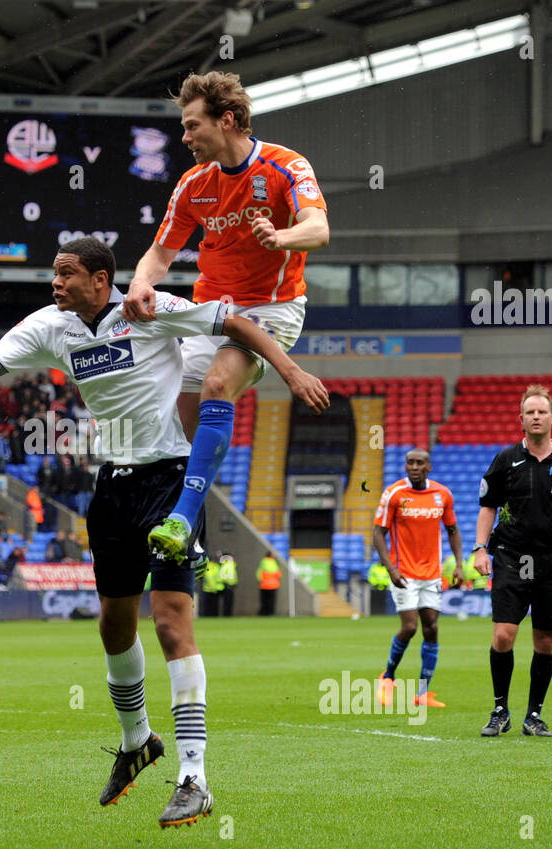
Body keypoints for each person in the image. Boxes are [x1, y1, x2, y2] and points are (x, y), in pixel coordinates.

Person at [0, 237, 324, 828]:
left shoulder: (147, 311)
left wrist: (290, 370)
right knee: (113, 624)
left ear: (101, 280)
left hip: (171, 479)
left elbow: (234, 321)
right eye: (54, 272)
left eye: (66, 273)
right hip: (114, 487)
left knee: (171, 620)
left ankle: (195, 777)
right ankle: (137, 740)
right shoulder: (51, 326)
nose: (55, 283)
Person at [123, 70, 331, 562]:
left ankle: (180, 521)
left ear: (228, 120)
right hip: (210, 312)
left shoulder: (285, 167)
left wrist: (280, 237)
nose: (185, 136)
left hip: (273, 306)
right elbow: (160, 254)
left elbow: (318, 228)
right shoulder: (193, 184)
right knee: (181, 429)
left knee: (219, 384)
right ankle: (196, 540)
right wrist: (139, 282)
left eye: (194, 126)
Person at [472, 385, 552, 738]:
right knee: (504, 634)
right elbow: (488, 508)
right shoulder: (505, 460)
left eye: (541, 412)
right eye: (529, 412)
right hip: (512, 557)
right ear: (521, 419)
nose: (535, 417)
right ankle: (500, 710)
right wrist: (479, 548)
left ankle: (534, 715)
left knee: (545, 641)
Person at [372, 449, 462, 710]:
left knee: (431, 627)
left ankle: (422, 691)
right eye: (409, 462)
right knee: (410, 627)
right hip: (404, 573)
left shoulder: (442, 495)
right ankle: (387, 677)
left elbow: (453, 529)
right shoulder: (394, 494)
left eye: (419, 463)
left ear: (428, 467)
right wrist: (390, 568)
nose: (413, 467)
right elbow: (379, 533)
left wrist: (458, 564)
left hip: (432, 573)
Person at [256, 552, 281, 616]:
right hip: (273, 585)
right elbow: (278, 574)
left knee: (264, 600)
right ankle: (271, 613)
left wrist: (260, 581)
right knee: (271, 600)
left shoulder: (263, 561)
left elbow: (259, 573)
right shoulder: (274, 562)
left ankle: (264, 612)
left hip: (264, 585)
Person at [217, 551, 238, 616]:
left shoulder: (228, 565)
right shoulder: (227, 565)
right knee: (227, 603)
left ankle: (228, 615)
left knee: (229, 603)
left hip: (230, 586)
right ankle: (227, 615)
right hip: (227, 586)